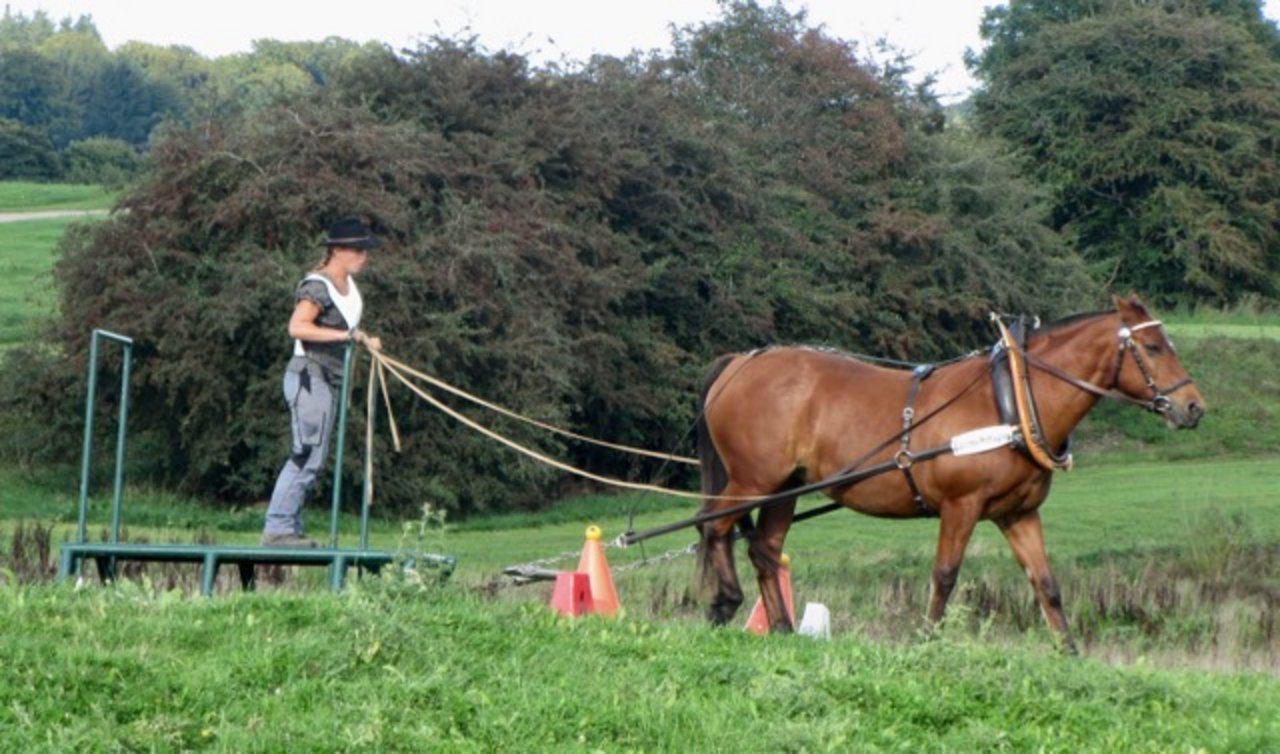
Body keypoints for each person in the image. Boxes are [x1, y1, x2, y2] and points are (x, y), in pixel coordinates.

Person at [262, 216, 384, 547]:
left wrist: (362, 340)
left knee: (314, 454)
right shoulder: (318, 285)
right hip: (308, 374)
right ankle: (278, 529)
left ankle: (289, 527)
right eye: (358, 251)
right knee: (306, 452)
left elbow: (347, 333)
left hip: (325, 380)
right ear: (339, 251)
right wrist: (346, 335)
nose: (363, 258)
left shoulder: (350, 289)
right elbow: (298, 327)